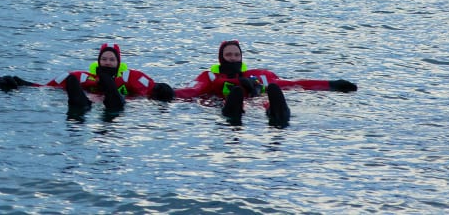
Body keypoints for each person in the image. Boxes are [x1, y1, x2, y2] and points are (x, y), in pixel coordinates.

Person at [173, 39, 358, 126]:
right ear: (221, 58)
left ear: (241, 57)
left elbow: (296, 83)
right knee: (232, 99)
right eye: (228, 55)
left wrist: (332, 84)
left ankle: (277, 111)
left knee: (267, 95)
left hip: (255, 98)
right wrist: (168, 93)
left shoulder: (258, 75)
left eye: (236, 55)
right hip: (222, 101)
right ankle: (233, 110)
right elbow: (192, 92)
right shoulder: (209, 78)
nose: (233, 58)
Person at [46, 43, 175, 112]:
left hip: (118, 103)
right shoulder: (86, 77)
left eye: (112, 60)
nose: (107, 62)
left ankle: (110, 89)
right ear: (98, 61)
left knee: (115, 100)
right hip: (92, 102)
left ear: (118, 63)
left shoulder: (132, 77)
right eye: (104, 59)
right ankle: (78, 100)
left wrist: (163, 90)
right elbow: (48, 87)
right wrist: (27, 84)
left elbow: (150, 90)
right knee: (82, 97)